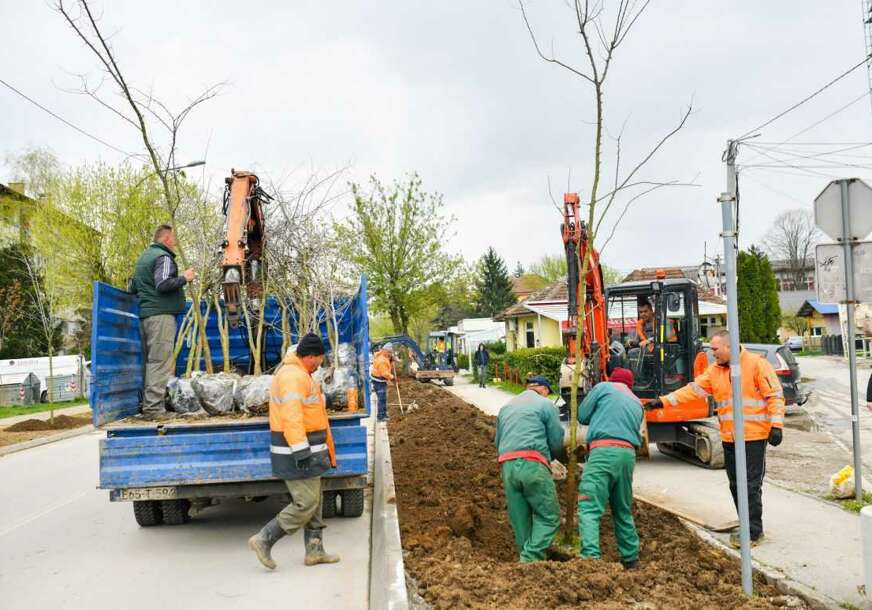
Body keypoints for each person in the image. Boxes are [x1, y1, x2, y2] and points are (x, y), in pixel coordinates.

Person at [648, 330, 784, 547]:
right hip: (729, 438)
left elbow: (774, 396)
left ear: (729, 347)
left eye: (715, 349)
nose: (712, 354)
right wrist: (663, 401)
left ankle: (753, 532)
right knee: (735, 484)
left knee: (749, 484)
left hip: (753, 437)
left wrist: (776, 426)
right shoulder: (715, 371)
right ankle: (746, 523)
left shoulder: (757, 365)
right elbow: (692, 391)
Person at [248, 333, 340, 569]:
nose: (320, 363)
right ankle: (264, 539)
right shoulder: (293, 376)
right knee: (306, 502)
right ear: (309, 356)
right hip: (298, 451)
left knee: (315, 501)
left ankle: (315, 551)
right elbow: (291, 417)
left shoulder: (301, 374)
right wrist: (301, 451)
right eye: (318, 359)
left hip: (312, 449)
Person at [577, 367, 644, 570]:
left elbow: (582, 415)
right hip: (627, 455)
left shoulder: (603, 387)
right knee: (622, 509)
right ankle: (631, 559)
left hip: (603, 452)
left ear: (612, 379)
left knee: (589, 507)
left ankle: (591, 560)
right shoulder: (637, 402)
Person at [495, 375, 564, 562]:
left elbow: (498, 441)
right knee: (550, 516)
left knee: (520, 519)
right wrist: (554, 458)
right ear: (543, 390)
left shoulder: (507, 407)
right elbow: (556, 439)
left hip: (507, 466)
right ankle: (530, 559)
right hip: (533, 464)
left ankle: (525, 561)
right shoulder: (546, 405)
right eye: (548, 393)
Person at [130, 224, 195, 419]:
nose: (175, 242)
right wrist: (185, 277)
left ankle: (148, 405)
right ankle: (153, 409)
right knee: (160, 363)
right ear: (166, 239)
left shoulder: (143, 258)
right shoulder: (163, 257)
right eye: (173, 238)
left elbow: (133, 287)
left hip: (146, 316)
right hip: (160, 317)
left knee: (151, 363)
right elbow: (163, 283)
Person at [370, 343, 395, 421]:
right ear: (385, 351)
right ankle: (380, 416)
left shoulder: (383, 356)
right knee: (381, 398)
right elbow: (385, 373)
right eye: (389, 352)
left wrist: (390, 360)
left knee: (383, 398)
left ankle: (383, 413)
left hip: (379, 381)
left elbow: (387, 367)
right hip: (379, 382)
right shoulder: (381, 360)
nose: (390, 354)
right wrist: (393, 378)